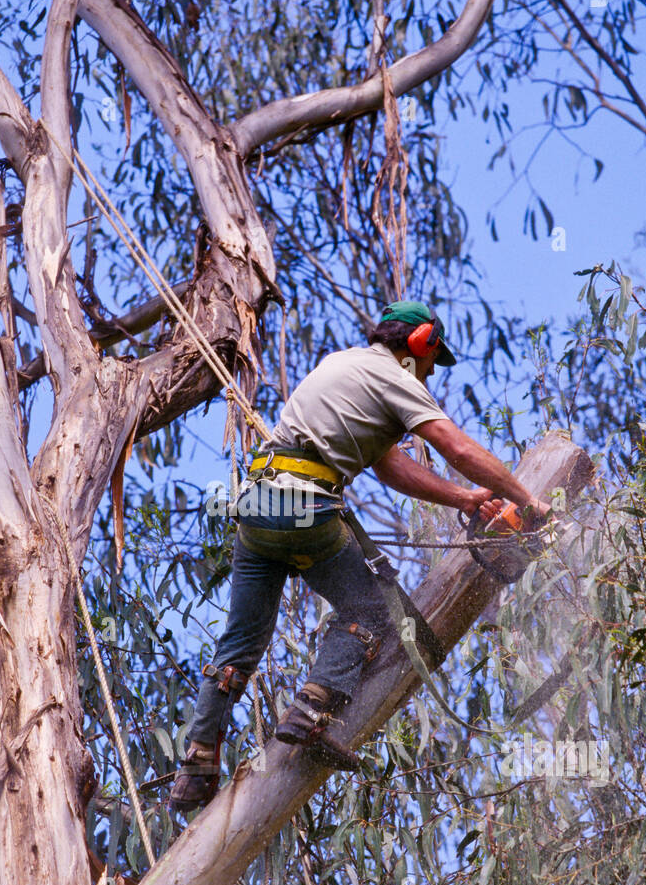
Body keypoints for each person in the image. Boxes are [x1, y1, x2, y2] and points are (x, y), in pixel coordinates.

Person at [168, 300, 550, 813]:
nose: (433, 372)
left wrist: (464, 498)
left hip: (257, 508)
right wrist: (528, 498)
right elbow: (457, 450)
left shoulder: (340, 364)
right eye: (434, 359)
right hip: (305, 507)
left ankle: (195, 763)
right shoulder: (396, 377)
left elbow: (390, 467)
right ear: (419, 344)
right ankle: (311, 709)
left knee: (239, 643)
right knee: (372, 608)